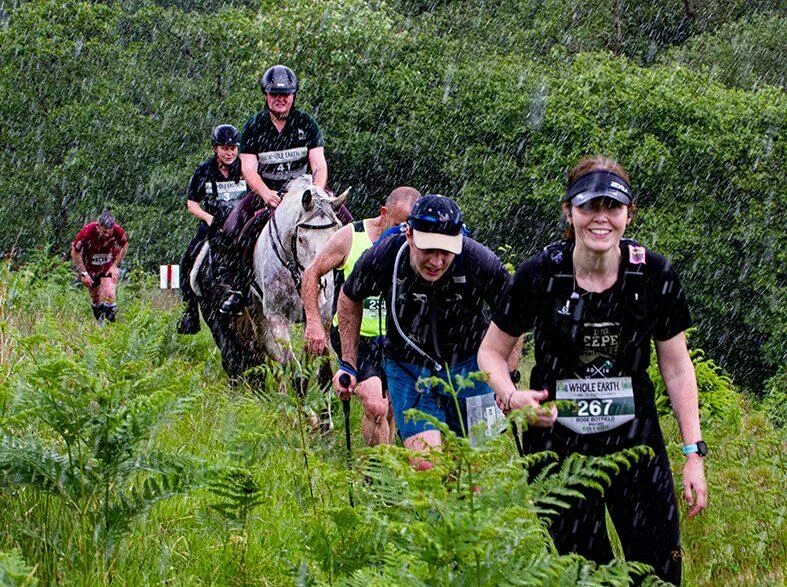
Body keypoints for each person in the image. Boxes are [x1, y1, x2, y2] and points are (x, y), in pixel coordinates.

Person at [477, 156, 707, 584]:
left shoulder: (654, 275)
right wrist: (511, 396)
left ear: (628, 213)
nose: (600, 219)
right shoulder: (540, 274)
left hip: (635, 441)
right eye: (588, 206)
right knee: (581, 574)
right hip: (557, 442)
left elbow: (676, 367)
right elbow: (490, 353)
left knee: (658, 569)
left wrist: (693, 453)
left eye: (612, 207)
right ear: (569, 212)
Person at [334, 195, 511, 467]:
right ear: (409, 234)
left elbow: (513, 313)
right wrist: (348, 363)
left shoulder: (477, 260)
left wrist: (506, 377)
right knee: (425, 466)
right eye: (428, 249)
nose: (437, 261)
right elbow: (349, 298)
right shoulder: (386, 256)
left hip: (471, 365)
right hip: (408, 366)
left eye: (446, 251)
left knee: (469, 472)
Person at [215, 64, 351, 316]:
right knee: (233, 227)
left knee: (348, 221)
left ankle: (349, 284)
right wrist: (266, 194)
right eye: (275, 94)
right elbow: (248, 169)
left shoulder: (306, 124)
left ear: (293, 96)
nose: (280, 99)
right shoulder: (254, 126)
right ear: (266, 96)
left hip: (305, 192)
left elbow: (319, 165)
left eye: (285, 94)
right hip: (267, 191)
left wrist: (315, 195)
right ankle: (238, 288)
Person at [303, 186, 421, 446]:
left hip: (393, 336)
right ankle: (379, 473)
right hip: (354, 336)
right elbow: (312, 272)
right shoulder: (351, 236)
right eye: (400, 223)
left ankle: (379, 473)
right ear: (384, 213)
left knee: (390, 409)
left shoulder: (416, 246)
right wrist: (313, 321)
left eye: (411, 226)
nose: (404, 232)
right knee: (375, 406)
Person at [177, 124, 247, 334]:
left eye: (233, 148)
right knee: (187, 261)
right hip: (213, 226)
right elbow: (192, 203)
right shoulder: (204, 170)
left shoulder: (245, 168)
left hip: (241, 227)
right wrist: (209, 218)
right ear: (215, 148)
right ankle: (190, 312)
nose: (229, 152)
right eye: (224, 148)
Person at [71, 210, 128, 323]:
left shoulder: (117, 230)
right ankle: (100, 324)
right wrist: (83, 274)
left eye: (109, 232)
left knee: (109, 294)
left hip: (107, 265)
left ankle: (112, 325)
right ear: (98, 227)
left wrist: (115, 266)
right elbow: (75, 251)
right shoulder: (87, 231)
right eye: (104, 232)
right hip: (90, 266)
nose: (107, 234)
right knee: (96, 298)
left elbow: (124, 245)